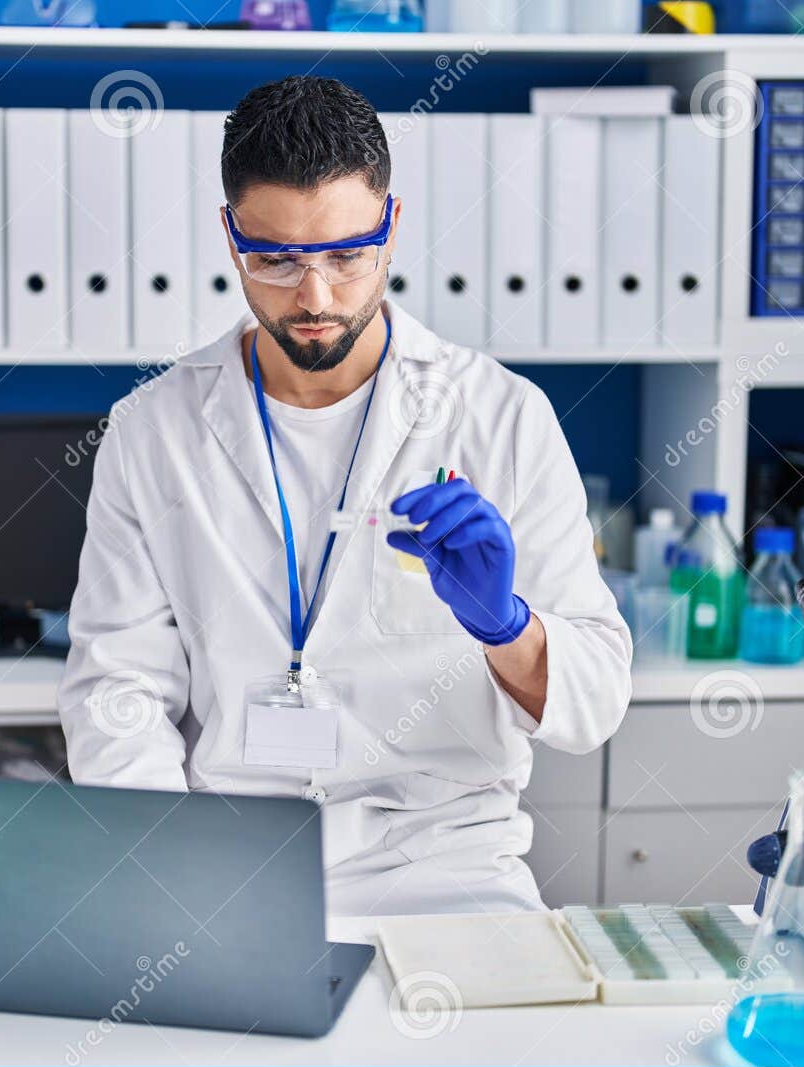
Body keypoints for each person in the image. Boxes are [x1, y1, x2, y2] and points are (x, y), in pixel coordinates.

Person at [58, 76, 631, 916]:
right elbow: (118, 692)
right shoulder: (152, 430)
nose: (315, 297)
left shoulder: (502, 417)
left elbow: (594, 706)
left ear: (391, 228)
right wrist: (167, 871)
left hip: (448, 870)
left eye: (345, 255)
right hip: (228, 873)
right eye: (277, 259)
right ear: (230, 237)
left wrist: (507, 627)